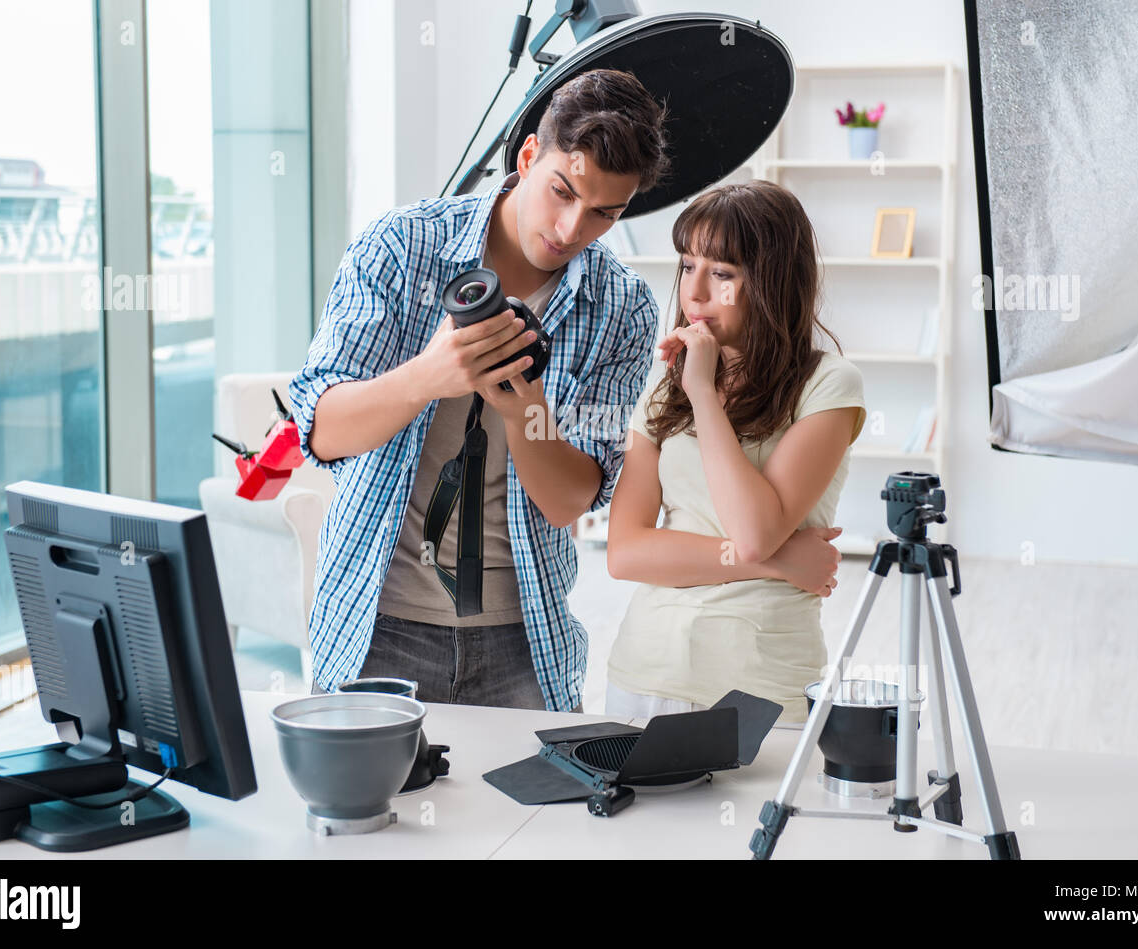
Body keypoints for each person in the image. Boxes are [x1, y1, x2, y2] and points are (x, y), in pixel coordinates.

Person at [287, 69, 671, 711]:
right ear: (527, 156)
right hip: (376, 626)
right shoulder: (399, 249)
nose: (573, 228)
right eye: (562, 191)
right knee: (368, 811)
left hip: (523, 640)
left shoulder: (622, 306)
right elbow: (322, 432)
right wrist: (430, 375)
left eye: (606, 212)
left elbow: (570, 502)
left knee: (536, 815)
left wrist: (524, 407)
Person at [604, 180, 867, 725]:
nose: (694, 292)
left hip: (761, 683)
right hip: (647, 671)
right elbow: (625, 552)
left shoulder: (829, 385)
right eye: (686, 265)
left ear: (772, 282)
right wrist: (781, 561)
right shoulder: (663, 385)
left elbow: (752, 532)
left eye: (722, 273)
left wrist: (703, 392)